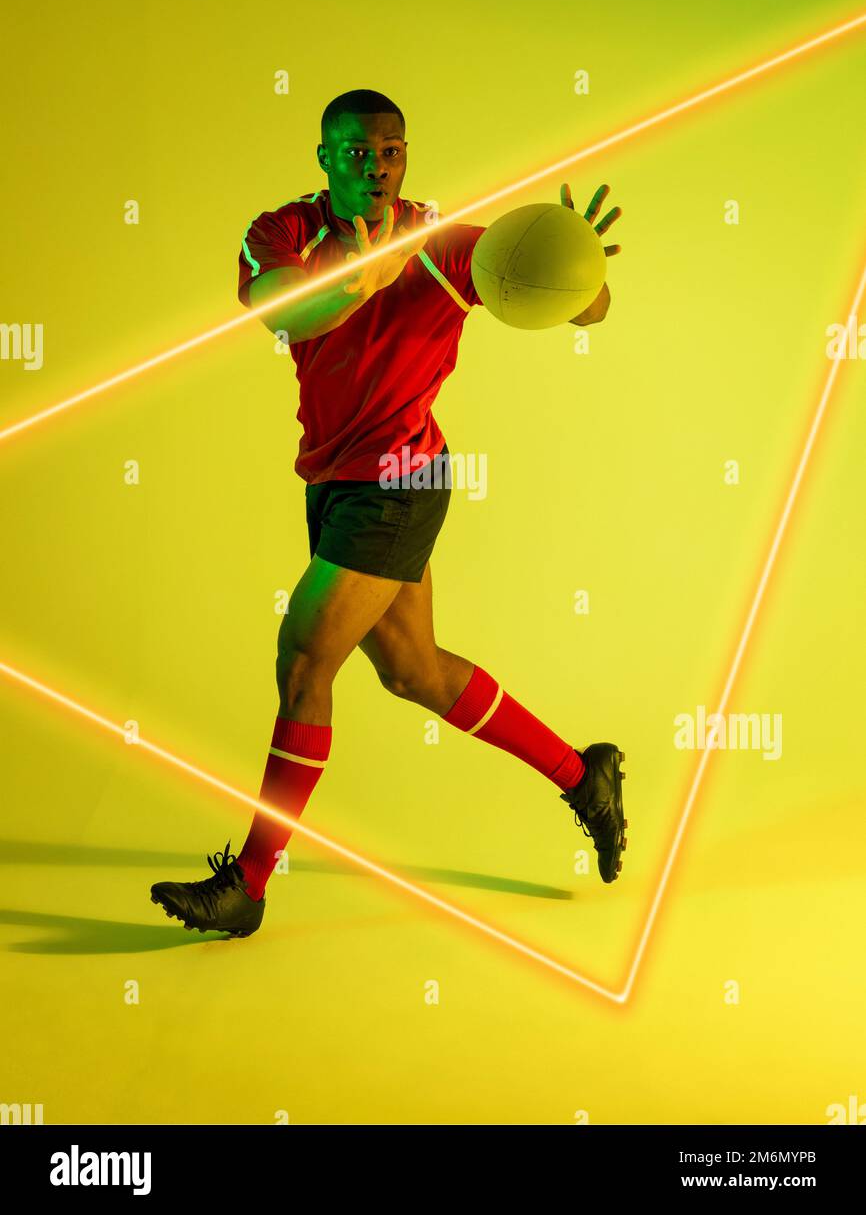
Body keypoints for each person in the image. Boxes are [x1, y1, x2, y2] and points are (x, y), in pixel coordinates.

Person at [150, 89, 626, 937]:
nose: (377, 166)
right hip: (334, 476)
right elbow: (285, 307)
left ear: (406, 157)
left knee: (305, 660)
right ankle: (581, 772)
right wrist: (361, 280)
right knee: (413, 671)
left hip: (401, 476)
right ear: (325, 157)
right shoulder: (284, 233)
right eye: (358, 151)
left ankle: (249, 888)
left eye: (392, 151)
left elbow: (584, 307)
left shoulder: (445, 247)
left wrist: (578, 265)